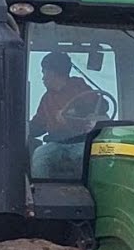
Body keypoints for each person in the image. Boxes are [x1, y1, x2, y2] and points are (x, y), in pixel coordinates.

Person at [29, 51, 107, 179]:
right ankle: (42, 193)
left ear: (53, 73)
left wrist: (74, 112)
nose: (43, 78)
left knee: (89, 158)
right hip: (57, 143)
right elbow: (38, 125)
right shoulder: (47, 99)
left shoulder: (79, 87)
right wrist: (24, 129)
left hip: (81, 141)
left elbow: (102, 105)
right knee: (40, 156)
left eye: (44, 72)